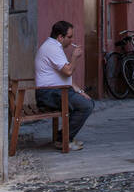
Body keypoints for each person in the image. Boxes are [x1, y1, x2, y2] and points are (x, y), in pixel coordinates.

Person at [34, 20, 94, 150]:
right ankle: (63, 140)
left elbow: (65, 77)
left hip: (55, 91)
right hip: (48, 94)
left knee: (85, 101)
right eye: (69, 37)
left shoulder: (54, 46)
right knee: (86, 106)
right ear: (60, 37)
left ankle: (65, 137)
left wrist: (80, 91)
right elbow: (68, 71)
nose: (71, 40)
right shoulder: (52, 48)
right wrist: (74, 57)